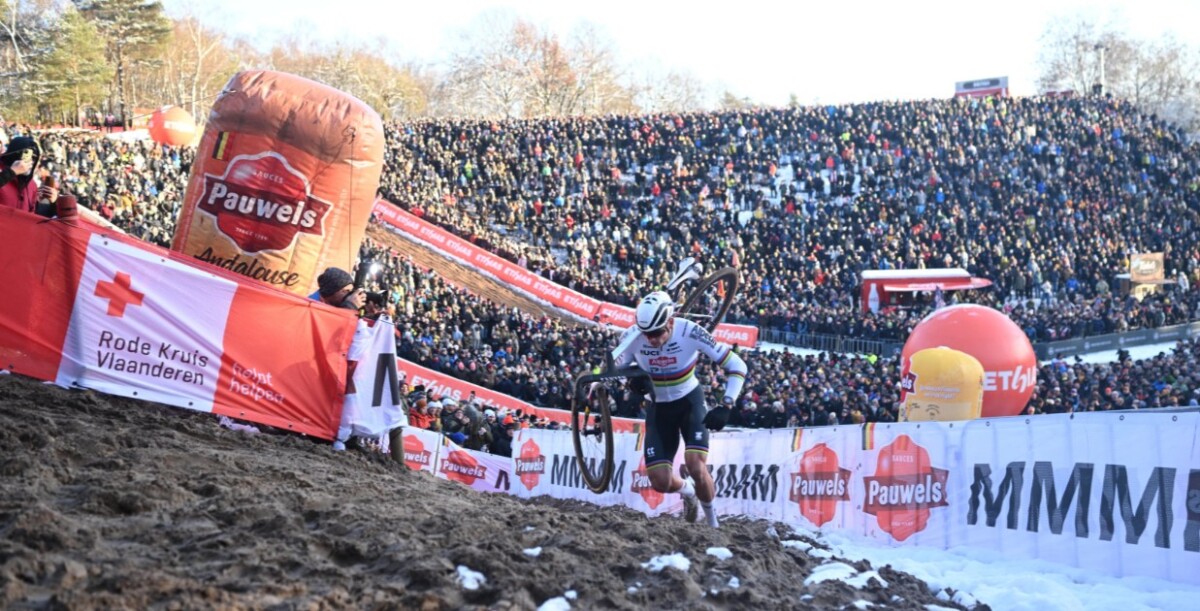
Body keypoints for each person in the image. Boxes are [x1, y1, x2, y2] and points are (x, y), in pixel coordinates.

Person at [609, 290, 747, 528]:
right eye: (647, 334)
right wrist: (631, 380)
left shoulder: (689, 331)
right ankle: (688, 492)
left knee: (695, 465)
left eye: (657, 333)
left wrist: (726, 404)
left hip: (689, 402)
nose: (652, 340)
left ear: (670, 322)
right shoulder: (632, 337)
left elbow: (737, 365)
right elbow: (608, 370)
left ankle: (713, 524)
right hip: (659, 408)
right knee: (659, 481)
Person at [0, 136, 77, 223]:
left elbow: (35, 218)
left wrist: (52, 204)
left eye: (34, 158)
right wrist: (11, 172)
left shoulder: (31, 185)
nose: (31, 162)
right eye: (28, 156)